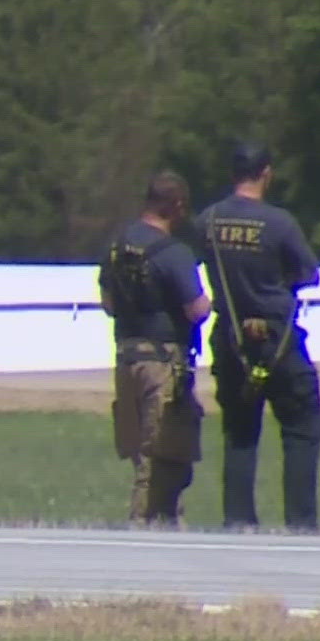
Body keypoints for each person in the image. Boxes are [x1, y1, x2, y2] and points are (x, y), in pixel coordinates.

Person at [198, 141, 320, 531]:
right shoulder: (280, 223)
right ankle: (300, 524)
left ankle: (238, 521)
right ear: (266, 173)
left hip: (231, 338)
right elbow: (309, 273)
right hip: (278, 339)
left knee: (239, 431)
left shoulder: (208, 220)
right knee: (302, 428)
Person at [99, 171, 211, 526]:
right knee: (162, 457)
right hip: (163, 364)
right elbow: (195, 310)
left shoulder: (118, 246)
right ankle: (145, 532)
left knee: (142, 455)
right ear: (176, 206)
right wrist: (211, 303)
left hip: (126, 358)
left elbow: (108, 303)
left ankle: (161, 525)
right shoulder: (174, 253)